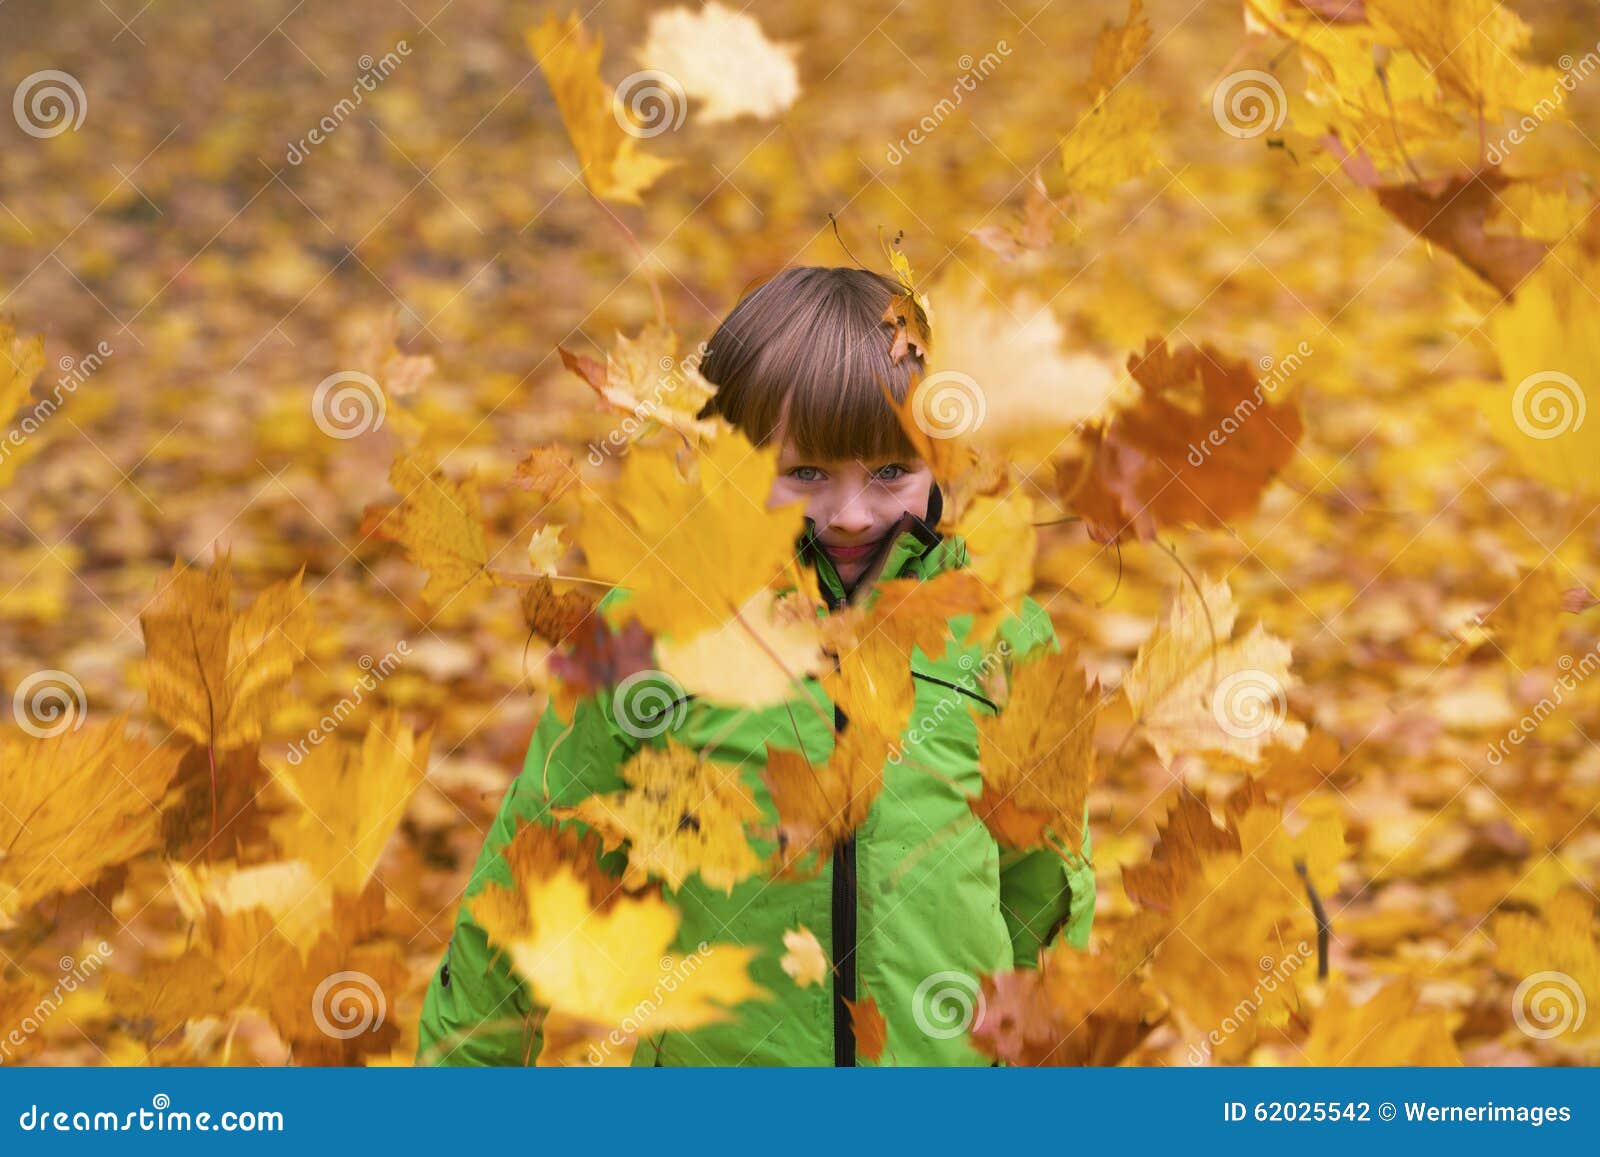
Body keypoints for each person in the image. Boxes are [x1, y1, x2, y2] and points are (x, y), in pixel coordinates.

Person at [416, 265, 1094, 1066]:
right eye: (804, 473)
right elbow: (529, 881)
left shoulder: (1003, 632)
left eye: (889, 472)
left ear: (944, 461)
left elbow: (1043, 892)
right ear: (725, 456)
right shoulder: (658, 632)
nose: (850, 513)